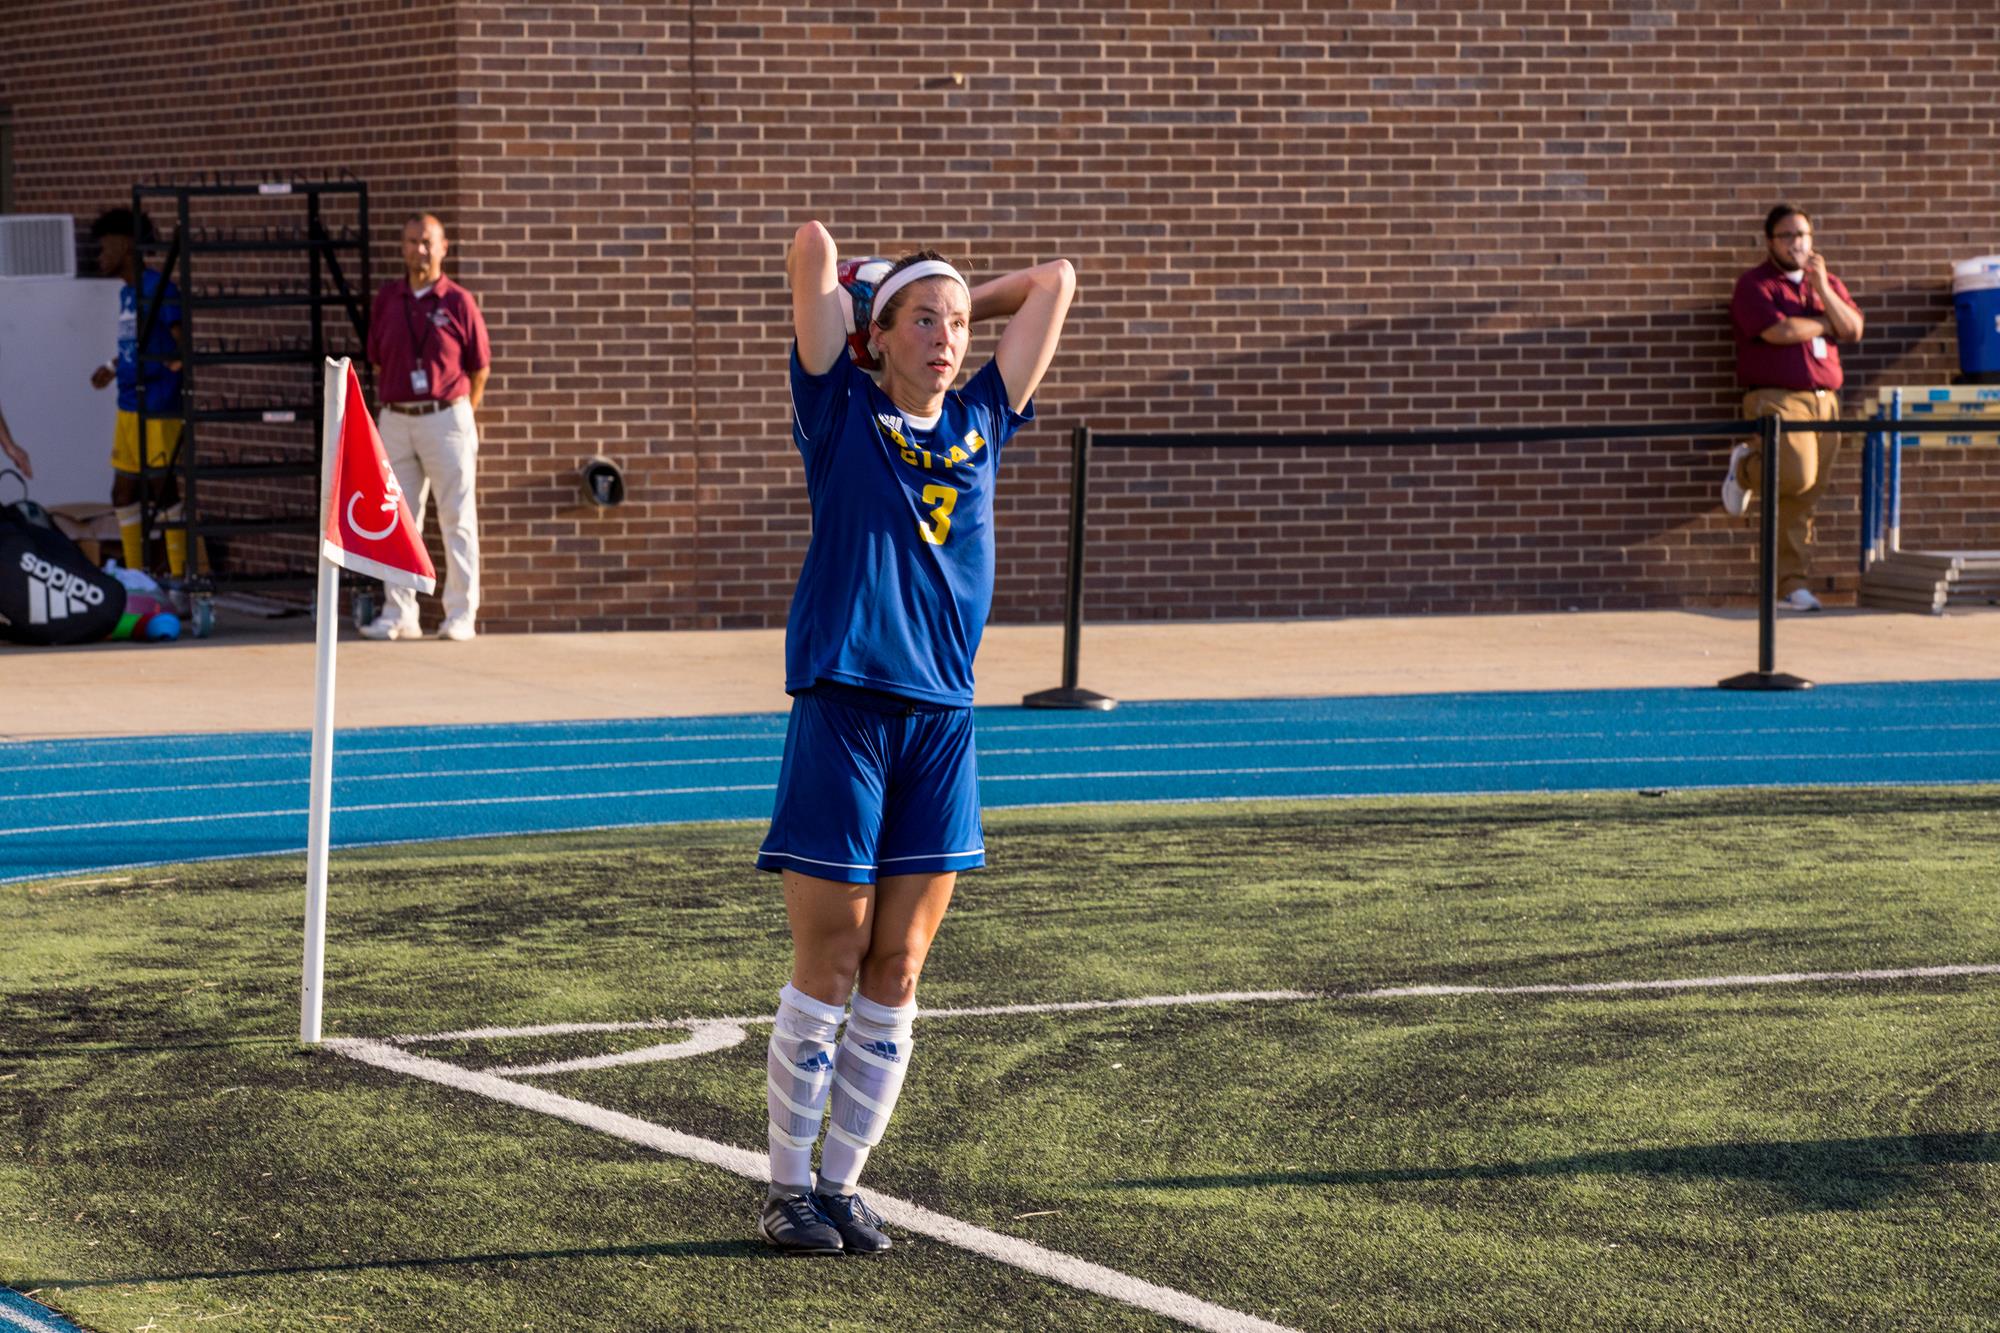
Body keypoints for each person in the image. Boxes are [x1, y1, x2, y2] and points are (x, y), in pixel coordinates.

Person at [753, 223, 1075, 1256]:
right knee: (833, 953)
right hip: (844, 709)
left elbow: (1054, 282)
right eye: (921, 322)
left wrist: (946, 290)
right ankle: (784, 1184)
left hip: (942, 721)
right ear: (876, 339)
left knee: (900, 964)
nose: (947, 337)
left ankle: (842, 1186)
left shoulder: (983, 415)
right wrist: (867, 293)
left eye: (955, 324)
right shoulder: (838, 407)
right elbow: (810, 249)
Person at [1723, 204, 1865, 611]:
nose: (1797, 244)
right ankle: (1747, 469)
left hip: (1826, 401)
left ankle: (1791, 585)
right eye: (1787, 236)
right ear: (1770, 241)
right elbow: (1780, 331)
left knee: (1805, 495)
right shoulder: (1756, 285)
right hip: (1778, 396)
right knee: (1796, 474)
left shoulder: (1826, 282)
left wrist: (1822, 291)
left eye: (1803, 235)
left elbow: (1853, 328)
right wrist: (1826, 323)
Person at [359, 213, 490, 641]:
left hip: (446, 416)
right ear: (402, 247)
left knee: (456, 516)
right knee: (396, 518)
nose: (420, 249)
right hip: (397, 417)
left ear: (443, 247)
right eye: (412, 241)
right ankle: (400, 613)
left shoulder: (458, 301)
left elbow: (480, 366)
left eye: (427, 242)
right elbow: (377, 355)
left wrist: (463, 413)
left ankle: (460, 614)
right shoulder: (388, 299)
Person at [87, 207, 186, 581]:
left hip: (157, 404)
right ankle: (135, 576)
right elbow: (137, 342)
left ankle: (178, 579)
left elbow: (179, 344)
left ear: (126, 245)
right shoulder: (128, 294)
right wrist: (114, 367)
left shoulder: (159, 289)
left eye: (103, 248)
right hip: (128, 404)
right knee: (122, 493)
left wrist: (170, 368)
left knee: (163, 490)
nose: (99, 257)